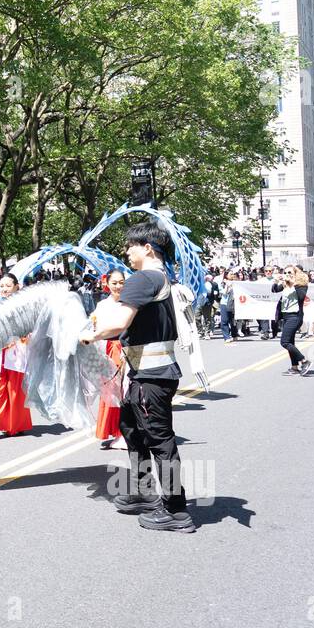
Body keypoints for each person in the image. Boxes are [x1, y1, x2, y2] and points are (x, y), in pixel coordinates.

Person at [79, 222, 194, 533]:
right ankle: (144, 490)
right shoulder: (161, 277)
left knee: (160, 440)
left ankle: (175, 510)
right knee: (131, 428)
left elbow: (118, 322)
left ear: (147, 248)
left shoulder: (143, 278)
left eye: (131, 245)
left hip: (151, 376)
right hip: (148, 373)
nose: (126, 251)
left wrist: (87, 335)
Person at [0, 274, 34, 442]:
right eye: (1, 286)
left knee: (15, 392)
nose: (4, 289)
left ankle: (14, 425)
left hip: (16, 355)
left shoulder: (24, 307)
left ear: (17, 287)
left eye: (8, 286)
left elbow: (30, 330)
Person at [92, 270, 128, 451]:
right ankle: (115, 431)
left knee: (124, 391)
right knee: (110, 392)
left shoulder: (130, 304)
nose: (118, 286)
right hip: (107, 349)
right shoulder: (101, 305)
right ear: (107, 283)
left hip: (125, 348)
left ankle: (124, 433)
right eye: (115, 283)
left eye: (121, 282)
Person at [273, 266, 311, 375]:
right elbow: (274, 289)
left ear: (295, 273)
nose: (287, 274)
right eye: (285, 272)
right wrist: (276, 281)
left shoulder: (301, 285)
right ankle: (294, 367)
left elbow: (301, 297)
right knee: (290, 342)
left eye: (289, 272)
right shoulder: (285, 285)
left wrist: (293, 283)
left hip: (295, 316)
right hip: (286, 316)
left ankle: (304, 361)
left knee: (284, 342)